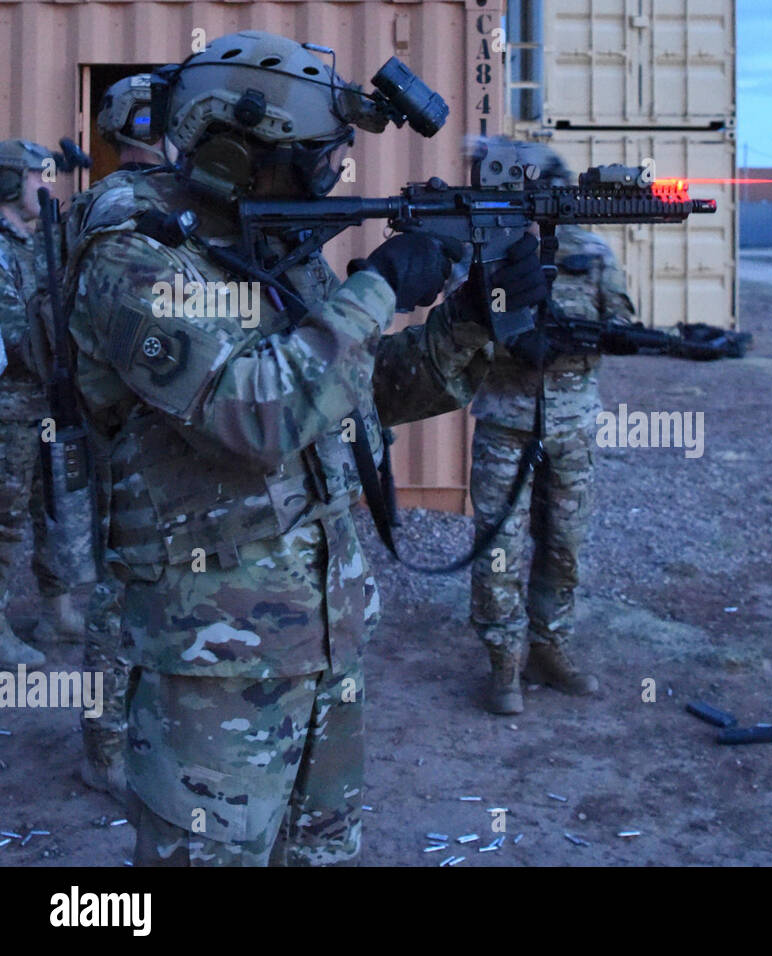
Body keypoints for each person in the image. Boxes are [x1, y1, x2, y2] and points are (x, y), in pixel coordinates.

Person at [63, 30, 545, 865]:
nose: (331, 175)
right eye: (313, 157)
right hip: (210, 661)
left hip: (322, 639)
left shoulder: (265, 250)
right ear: (231, 158)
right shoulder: (136, 256)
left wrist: (466, 325)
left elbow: (356, 393)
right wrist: (380, 284)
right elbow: (260, 413)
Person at [469, 143, 636, 715]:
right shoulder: (488, 250)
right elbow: (460, 331)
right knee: (499, 549)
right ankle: (503, 667)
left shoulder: (591, 251)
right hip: (505, 422)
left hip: (570, 423)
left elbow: (622, 324)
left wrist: (575, 336)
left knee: (565, 544)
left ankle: (550, 649)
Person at [70, 73, 173, 801]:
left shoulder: (95, 203)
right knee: (120, 585)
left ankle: (121, 736)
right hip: (136, 426)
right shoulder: (132, 208)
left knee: (128, 579)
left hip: (120, 419)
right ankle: (106, 745)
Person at [0, 139, 82, 667]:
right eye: (36, 178)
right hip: (8, 411)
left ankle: (59, 610)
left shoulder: (35, 241)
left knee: (55, 510)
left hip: (45, 404)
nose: (44, 187)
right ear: (10, 183)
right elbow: (14, 334)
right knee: (4, 522)